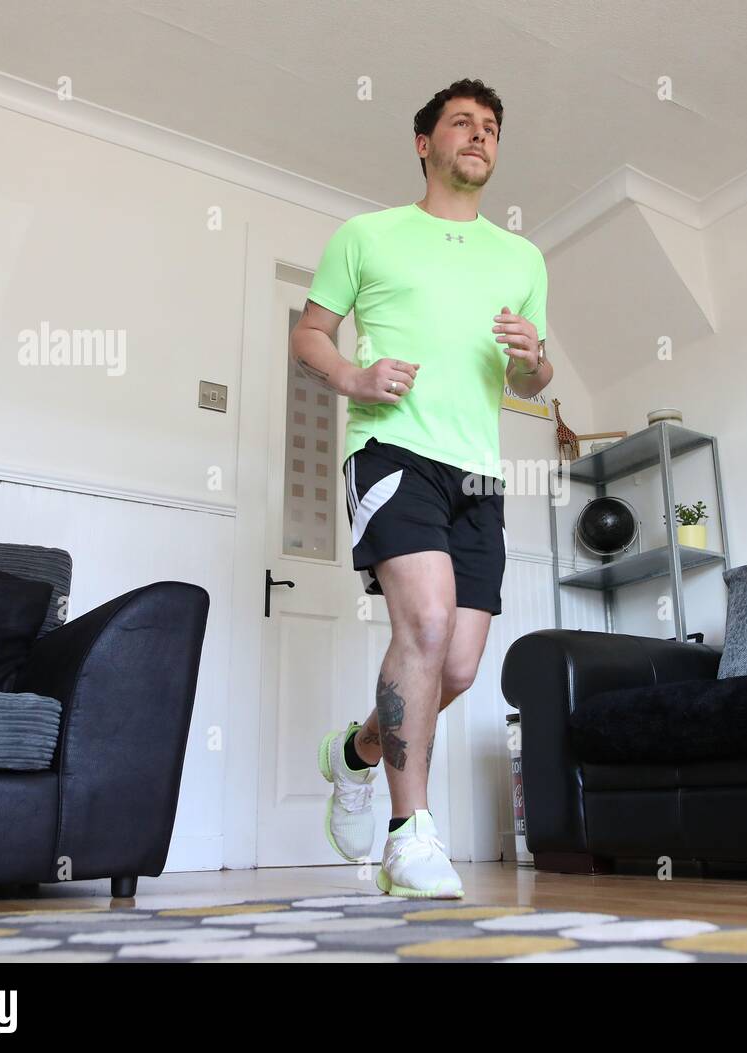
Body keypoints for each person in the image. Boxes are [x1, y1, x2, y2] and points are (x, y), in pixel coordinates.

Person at [290, 79, 551, 898]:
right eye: (463, 124)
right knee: (428, 620)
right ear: (424, 143)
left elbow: (536, 381)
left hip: (478, 471)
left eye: (492, 129)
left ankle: (357, 752)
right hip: (393, 448)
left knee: (462, 666)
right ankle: (410, 835)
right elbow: (308, 332)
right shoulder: (367, 235)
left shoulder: (523, 257)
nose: (480, 136)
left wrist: (531, 355)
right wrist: (355, 376)